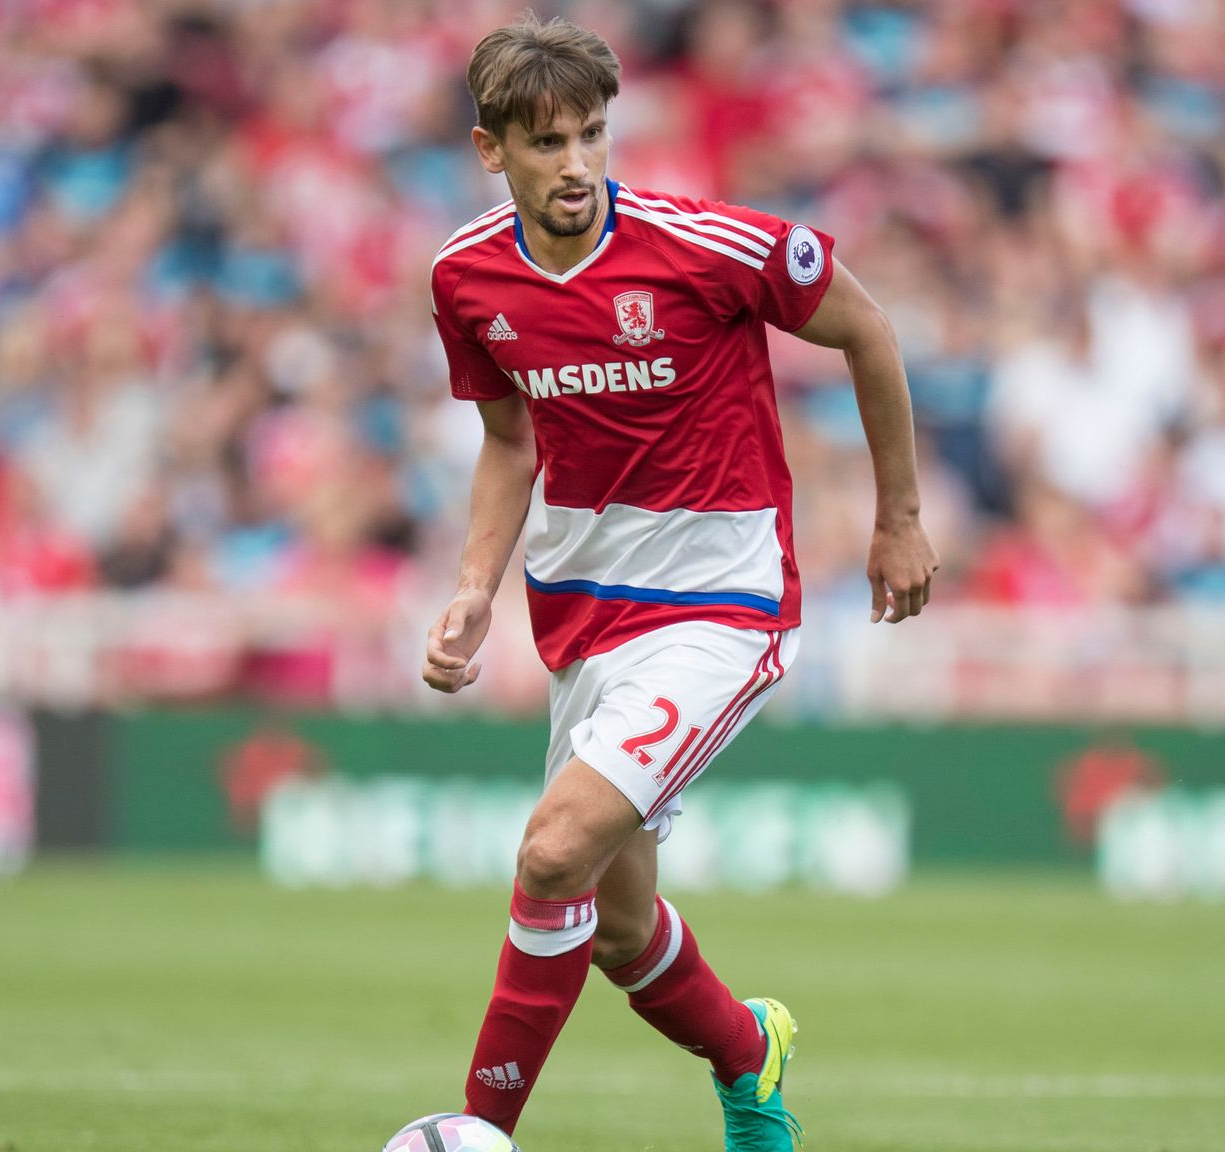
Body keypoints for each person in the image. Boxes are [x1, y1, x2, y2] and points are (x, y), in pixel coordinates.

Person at [420, 16, 937, 1150]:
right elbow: (508, 441)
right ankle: (750, 1057)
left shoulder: (709, 247)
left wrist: (898, 517)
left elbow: (868, 330)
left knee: (552, 850)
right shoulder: (465, 277)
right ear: (490, 149)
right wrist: (472, 585)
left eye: (591, 135)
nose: (576, 165)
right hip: (582, 615)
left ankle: (480, 1133)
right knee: (615, 928)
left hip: (718, 608)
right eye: (546, 142)